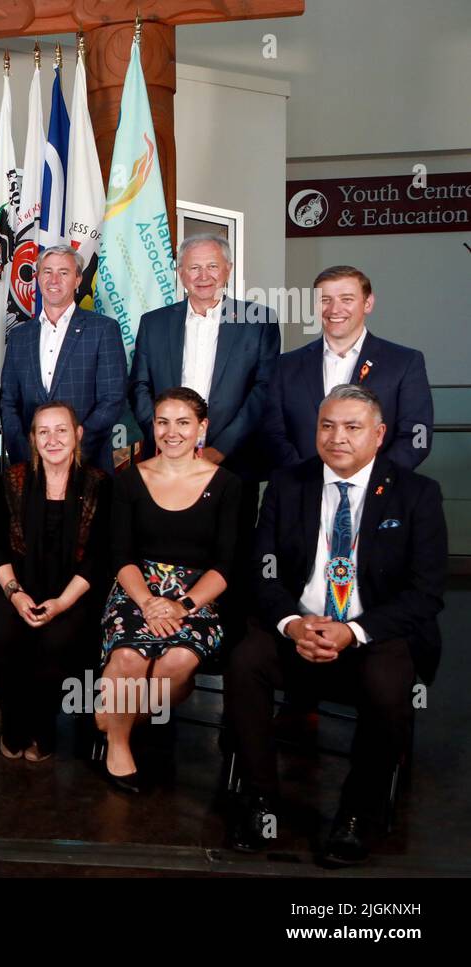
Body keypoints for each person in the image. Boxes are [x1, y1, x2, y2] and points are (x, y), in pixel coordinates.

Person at [226, 385, 446, 865]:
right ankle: (259, 800)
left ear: (379, 434)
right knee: (244, 663)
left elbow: (426, 593)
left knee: (389, 689)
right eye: (327, 426)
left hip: (374, 635)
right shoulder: (287, 483)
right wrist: (292, 624)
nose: (337, 437)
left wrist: (353, 632)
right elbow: (260, 570)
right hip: (298, 627)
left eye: (352, 427)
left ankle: (355, 815)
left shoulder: (417, 495)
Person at [130, 234, 281, 643]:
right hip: (163, 465)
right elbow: (139, 387)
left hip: (232, 463)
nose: (203, 276)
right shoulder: (154, 322)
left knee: (230, 556)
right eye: (193, 268)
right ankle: (155, 627)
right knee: (159, 545)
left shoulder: (258, 320)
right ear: (180, 274)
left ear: (228, 271)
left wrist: (220, 447)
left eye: (212, 266)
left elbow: (264, 391)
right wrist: (164, 441)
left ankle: (225, 647)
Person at [98, 387, 240, 792]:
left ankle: (111, 714)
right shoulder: (129, 478)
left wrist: (182, 606)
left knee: (176, 663)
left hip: (197, 596)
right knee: (128, 656)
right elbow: (120, 554)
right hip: (136, 588)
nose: (171, 432)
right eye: (163, 422)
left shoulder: (227, 484)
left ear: (202, 428)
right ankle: (119, 744)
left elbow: (226, 566)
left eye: (183, 423)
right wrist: (147, 602)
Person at [0, 402, 111, 762]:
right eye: (43, 431)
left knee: (56, 643)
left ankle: (42, 725)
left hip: (73, 593)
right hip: (16, 587)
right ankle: (13, 723)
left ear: (78, 435)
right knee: (0, 640)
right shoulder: (13, 480)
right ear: (32, 438)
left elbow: (99, 560)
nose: (53, 439)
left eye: (61, 430)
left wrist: (62, 603)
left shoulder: (99, 484)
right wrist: (14, 594)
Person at [265, 265, 433, 471]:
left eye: (346, 299)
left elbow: (417, 435)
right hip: (301, 492)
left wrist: (372, 479)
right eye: (325, 300)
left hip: (377, 494)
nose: (334, 309)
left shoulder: (404, 362)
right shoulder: (286, 365)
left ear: (368, 303)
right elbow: (271, 433)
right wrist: (307, 482)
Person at [0, 246, 127, 472]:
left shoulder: (103, 329)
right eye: (47, 272)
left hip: (87, 465)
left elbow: (112, 400)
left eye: (64, 272)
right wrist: (24, 452)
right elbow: (9, 401)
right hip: (29, 466)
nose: (54, 280)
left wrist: (69, 450)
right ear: (37, 278)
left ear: (78, 279)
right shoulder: (20, 336)